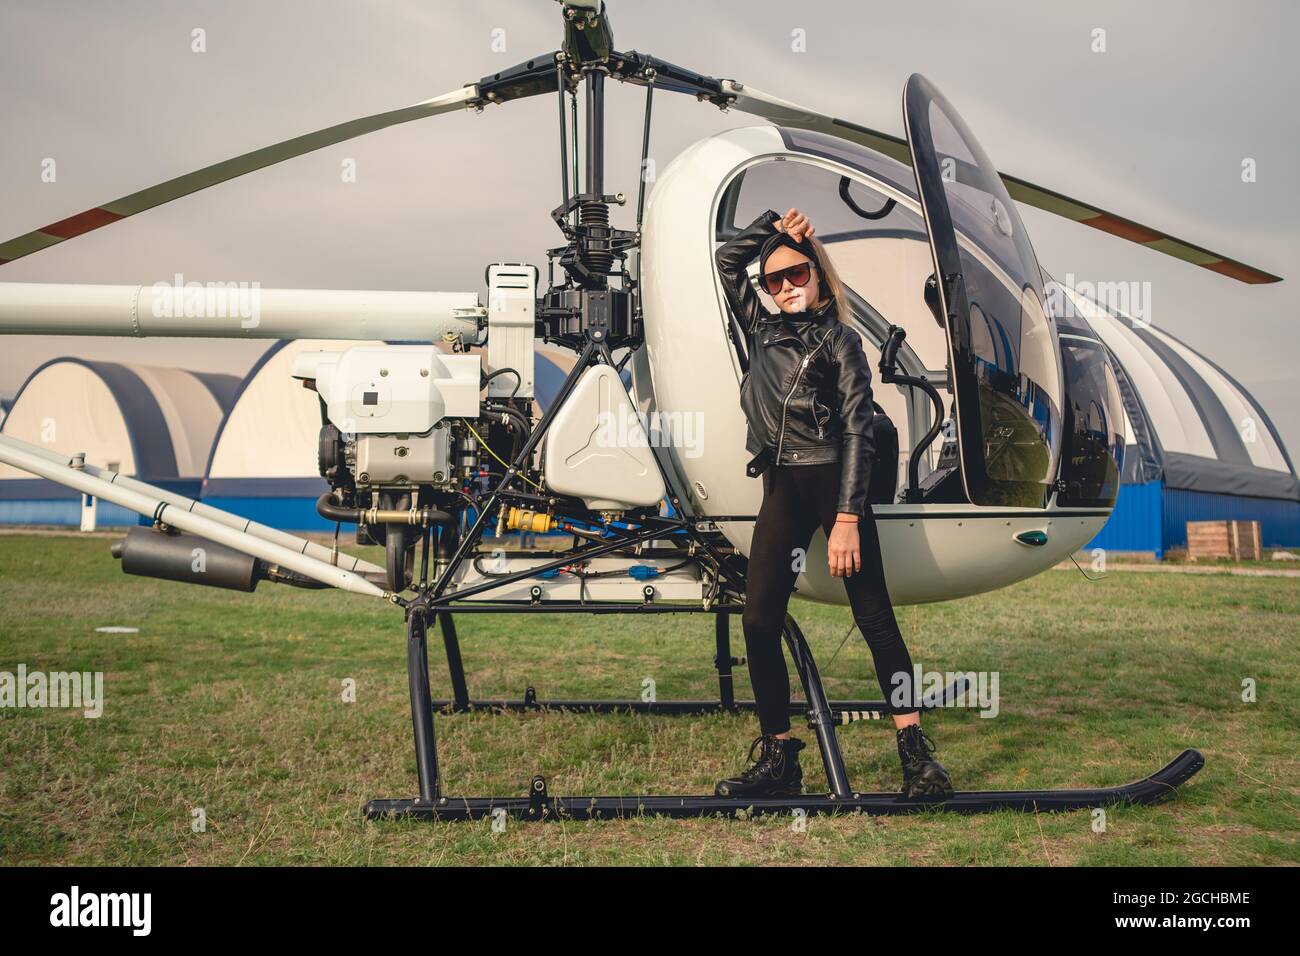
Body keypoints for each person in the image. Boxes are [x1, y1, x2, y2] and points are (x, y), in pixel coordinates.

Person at [713, 207, 954, 800]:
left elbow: (857, 431)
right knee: (758, 620)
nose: (786, 286)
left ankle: (916, 753)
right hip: (783, 486)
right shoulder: (761, 330)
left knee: (874, 620)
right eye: (775, 280)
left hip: (832, 482)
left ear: (818, 273)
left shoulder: (841, 340)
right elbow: (726, 261)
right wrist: (773, 229)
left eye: (797, 273)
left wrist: (846, 518)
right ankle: (780, 757)